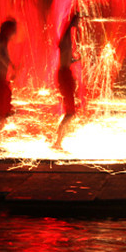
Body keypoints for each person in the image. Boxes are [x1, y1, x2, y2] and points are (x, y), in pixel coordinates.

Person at [52, 12, 81, 150]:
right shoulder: (66, 38)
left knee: (71, 112)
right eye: (78, 21)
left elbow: (65, 57)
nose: (79, 24)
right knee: (70, 112)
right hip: (64, 75)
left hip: (65, 74)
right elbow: (63, 50)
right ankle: (57, 142)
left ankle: (58, 141)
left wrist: (74, 60)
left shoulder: (68, 38)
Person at [0, 19, 17, 149]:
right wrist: (9, 65)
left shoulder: (2, 41)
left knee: (2, 113)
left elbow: (1, 56)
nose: (14, 33)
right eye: (12, 29)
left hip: (1, 80)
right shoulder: (0, 41)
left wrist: (11, 65)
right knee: (0, 113)